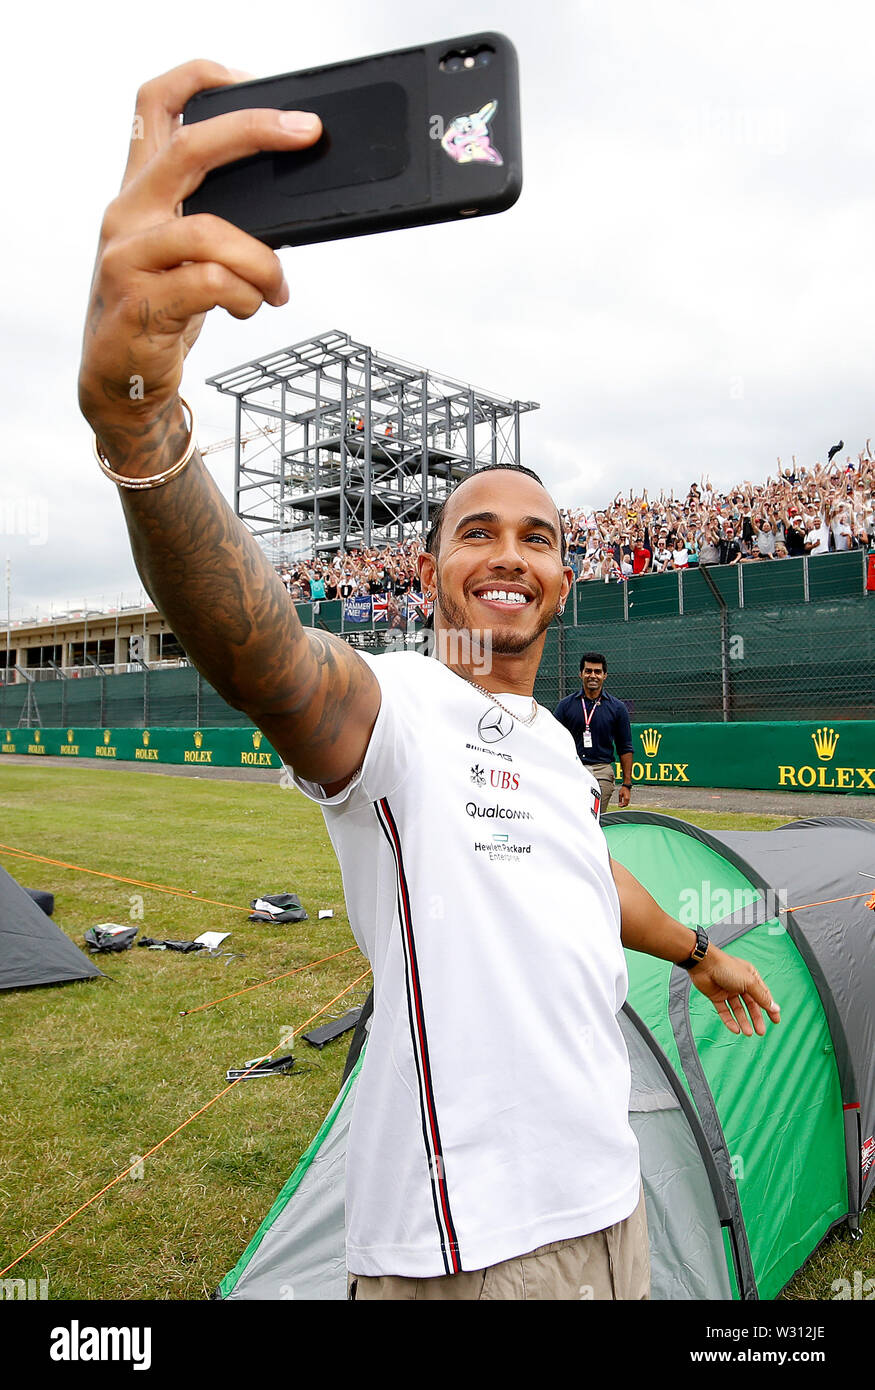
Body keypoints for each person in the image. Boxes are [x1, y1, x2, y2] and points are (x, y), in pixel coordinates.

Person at [78, 60, 781, 1302]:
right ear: (430, 569)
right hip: (471, 1257)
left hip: (613, 1205)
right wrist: (142, 428)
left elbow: (579, 871)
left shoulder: (546, 743)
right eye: (476, 531)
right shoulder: (402, 703)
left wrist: (695, 954)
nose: (510, 553)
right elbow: (270, 659)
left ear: (563, 582)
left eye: (539, 539)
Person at [553, 654, 634, 812]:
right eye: (588, 671)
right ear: (581, 674)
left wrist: (627, 784)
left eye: (597, 672)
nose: (592, 675)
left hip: (602, 771)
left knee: (594, 819)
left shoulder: (617, 708)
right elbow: (553, 739)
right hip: (572, 769)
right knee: (571, 817)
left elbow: (625, 747)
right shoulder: (565, 706)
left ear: (604, 675)